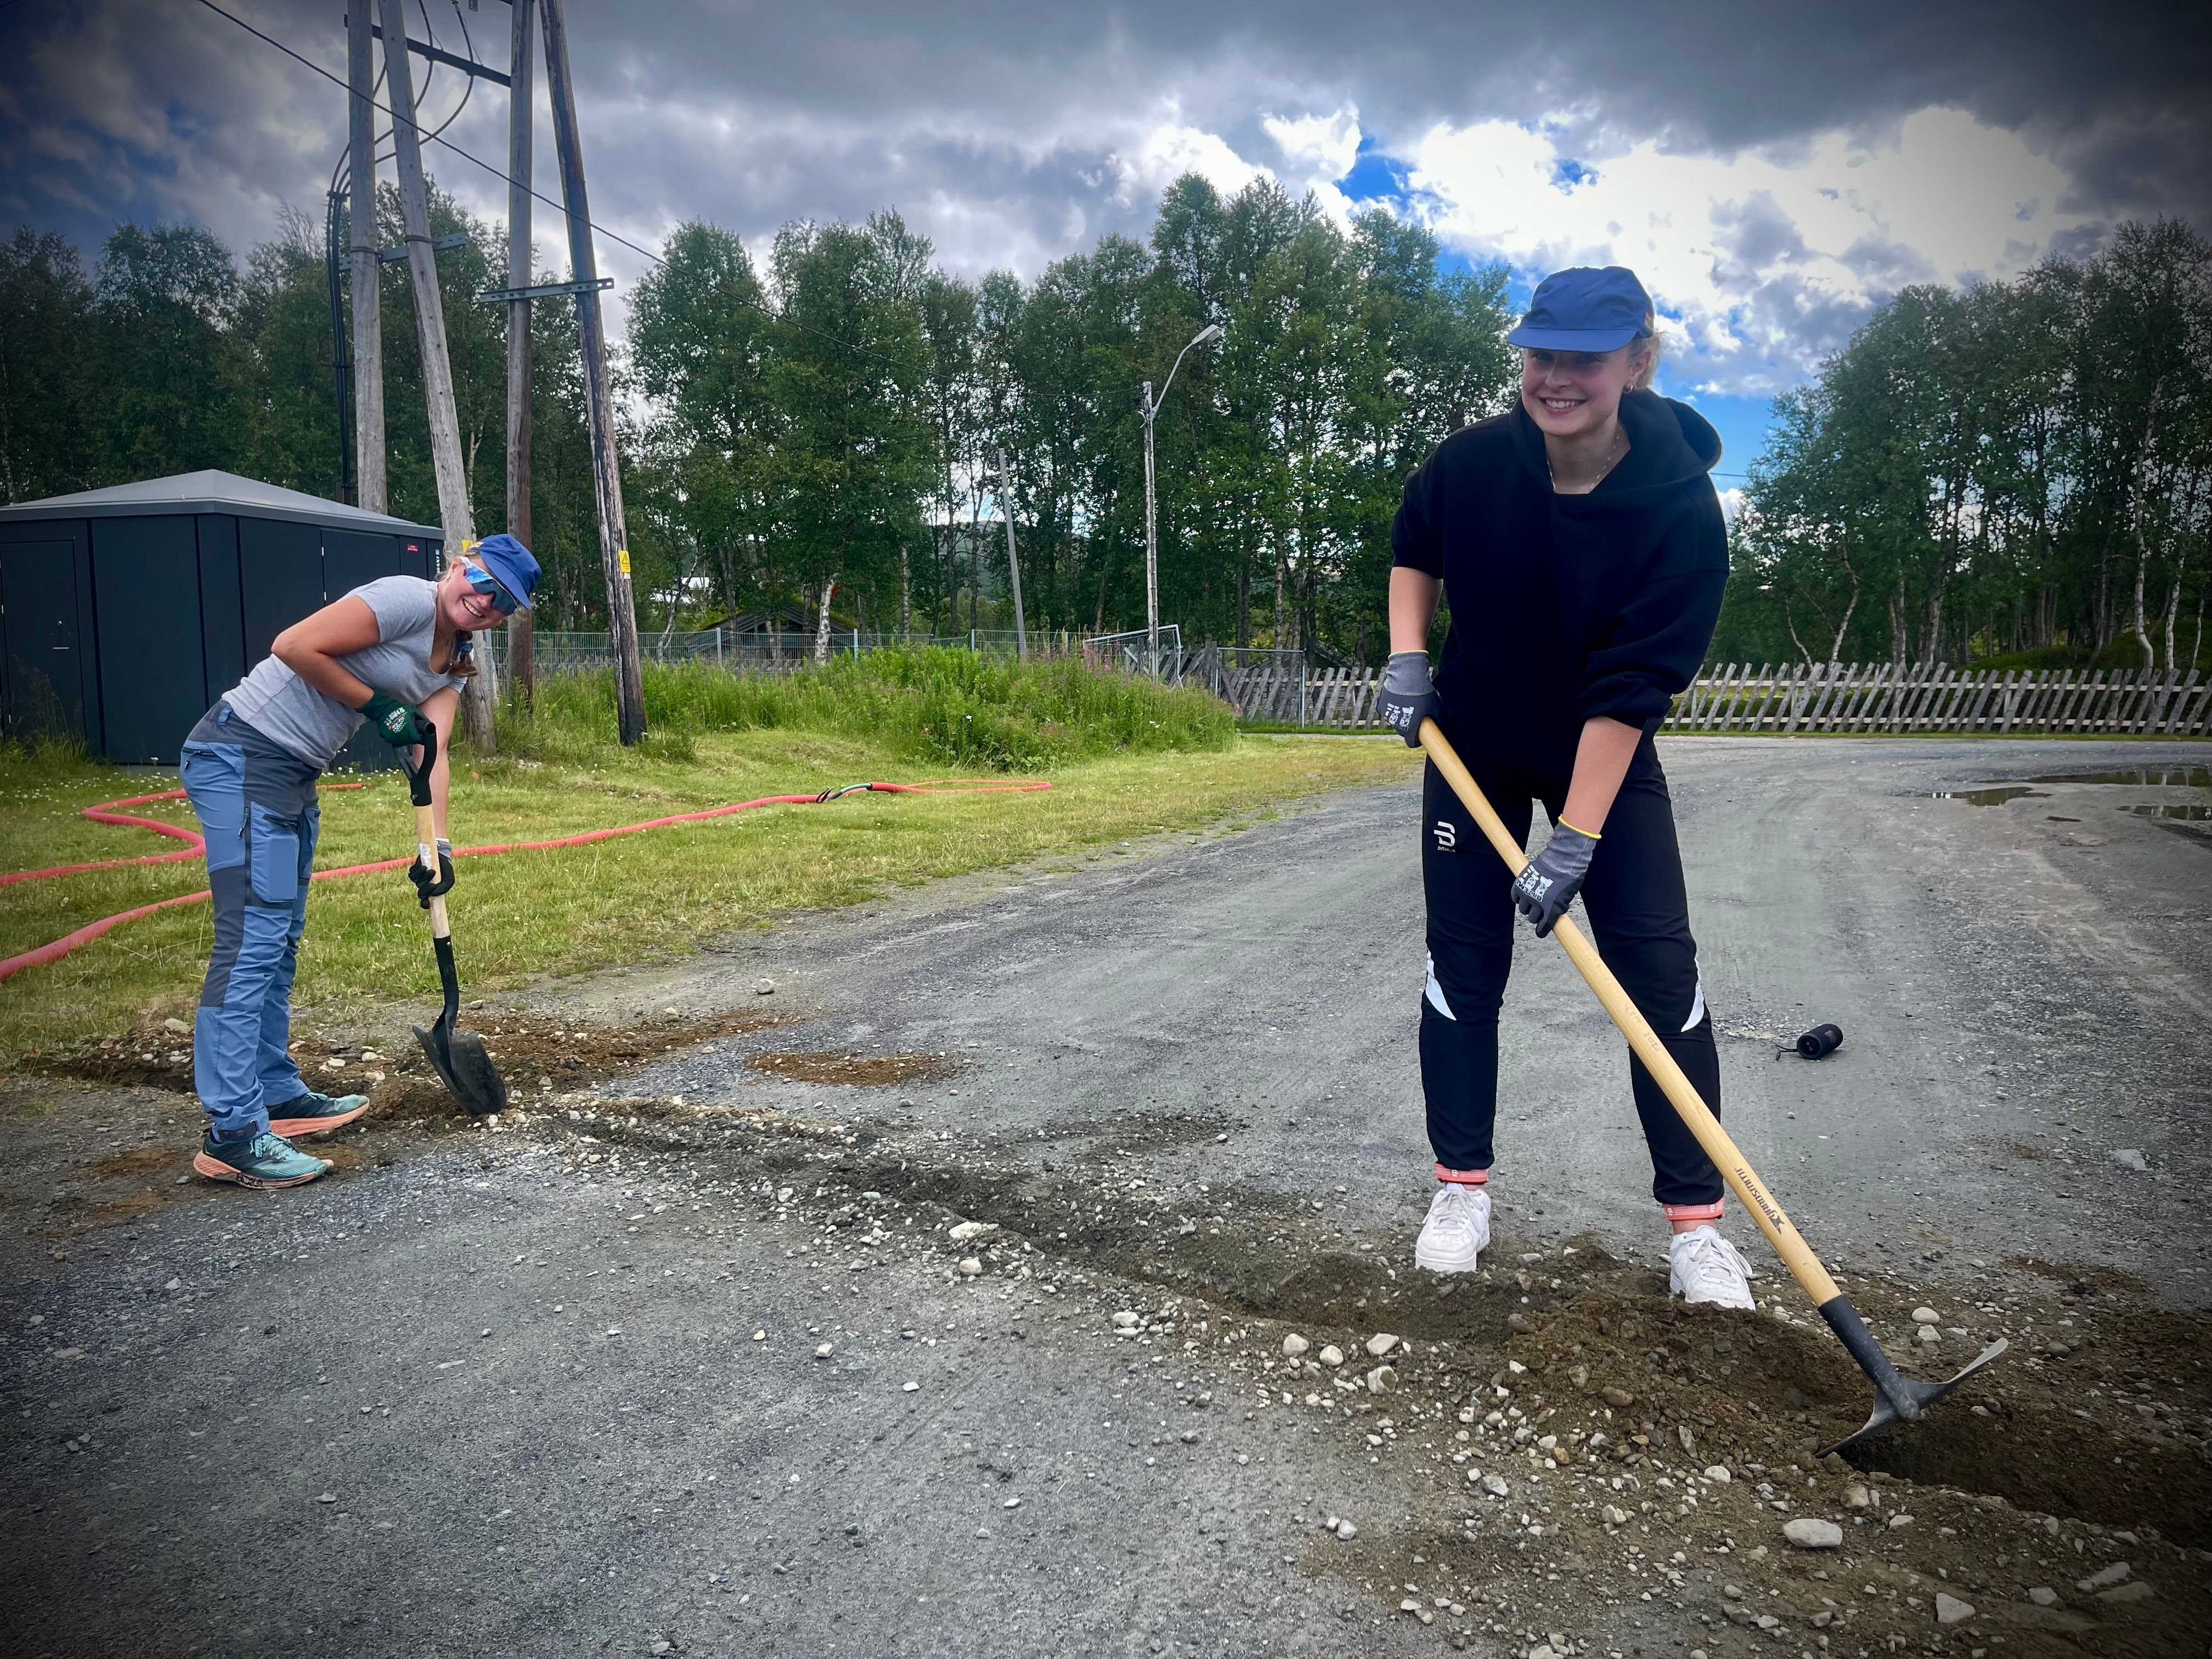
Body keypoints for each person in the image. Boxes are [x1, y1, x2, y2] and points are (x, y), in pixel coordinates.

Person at [1376, 266, 1753, 1308]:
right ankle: (1461, 1189)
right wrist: (1410, 657)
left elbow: (1630, 690)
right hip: (1476, 748)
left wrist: (1576, 838)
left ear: (1636, 363)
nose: (1553, 377)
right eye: (1539, 353)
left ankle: (1696, 1228)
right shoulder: (1473, 464)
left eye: (1581, 358)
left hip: (1606, 751)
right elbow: (1416, 548)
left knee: (1656, 974)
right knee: (1461, 964)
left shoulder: (1680, 509)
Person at [180, 534, 538, 1188]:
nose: (484, 603)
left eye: (501, 604)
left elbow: (430, 751)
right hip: (241, 754)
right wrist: (376, 705)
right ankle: (232, 1133)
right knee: (251, 942)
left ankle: (278, 1097)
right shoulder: (404, 599)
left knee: (281, 938)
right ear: (459, 566)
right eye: (482, 584)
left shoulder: (454, 661)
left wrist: (440, 849)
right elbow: (293, 645)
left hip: (292, 772)